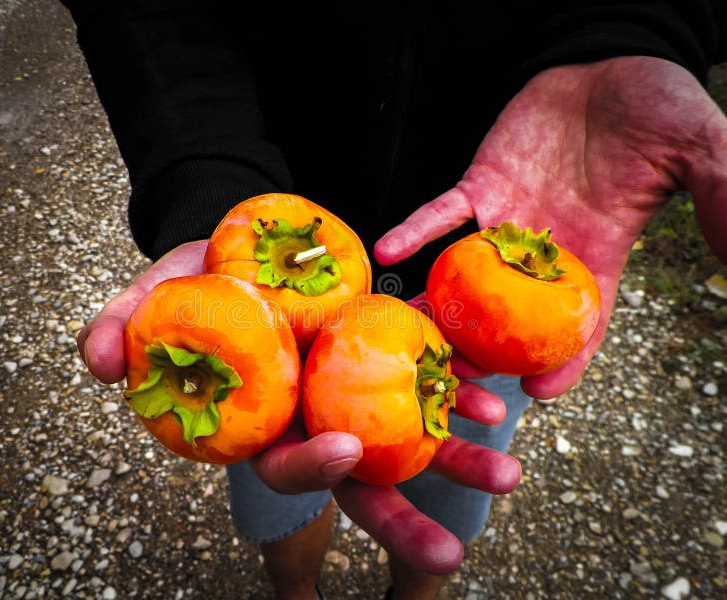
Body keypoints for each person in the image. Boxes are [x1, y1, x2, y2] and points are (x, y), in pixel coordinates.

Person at [61, 1, 727, 598]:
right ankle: (296, 590)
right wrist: (204, 181)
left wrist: (638, 31)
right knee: (281, 486)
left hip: (476, 307)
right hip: (262, 248)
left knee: (449, 492)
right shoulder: (228, 305)